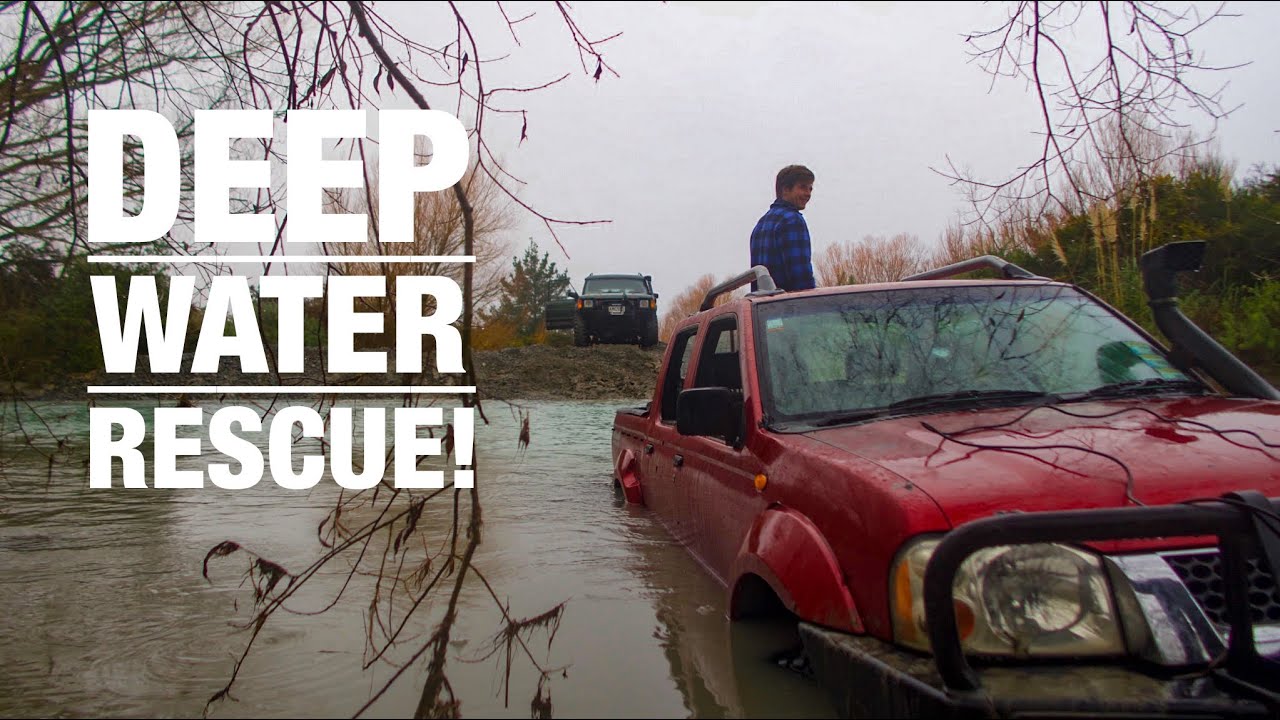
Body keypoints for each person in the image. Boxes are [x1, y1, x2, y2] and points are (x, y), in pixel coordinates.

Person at [750, 164, 816, 292]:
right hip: (789, 307)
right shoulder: (792, 220)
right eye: (802, 187)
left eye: (810, 189)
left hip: (764, 308)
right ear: (785, 189)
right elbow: (801, 276)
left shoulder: (760, 225)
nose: (808, 194)